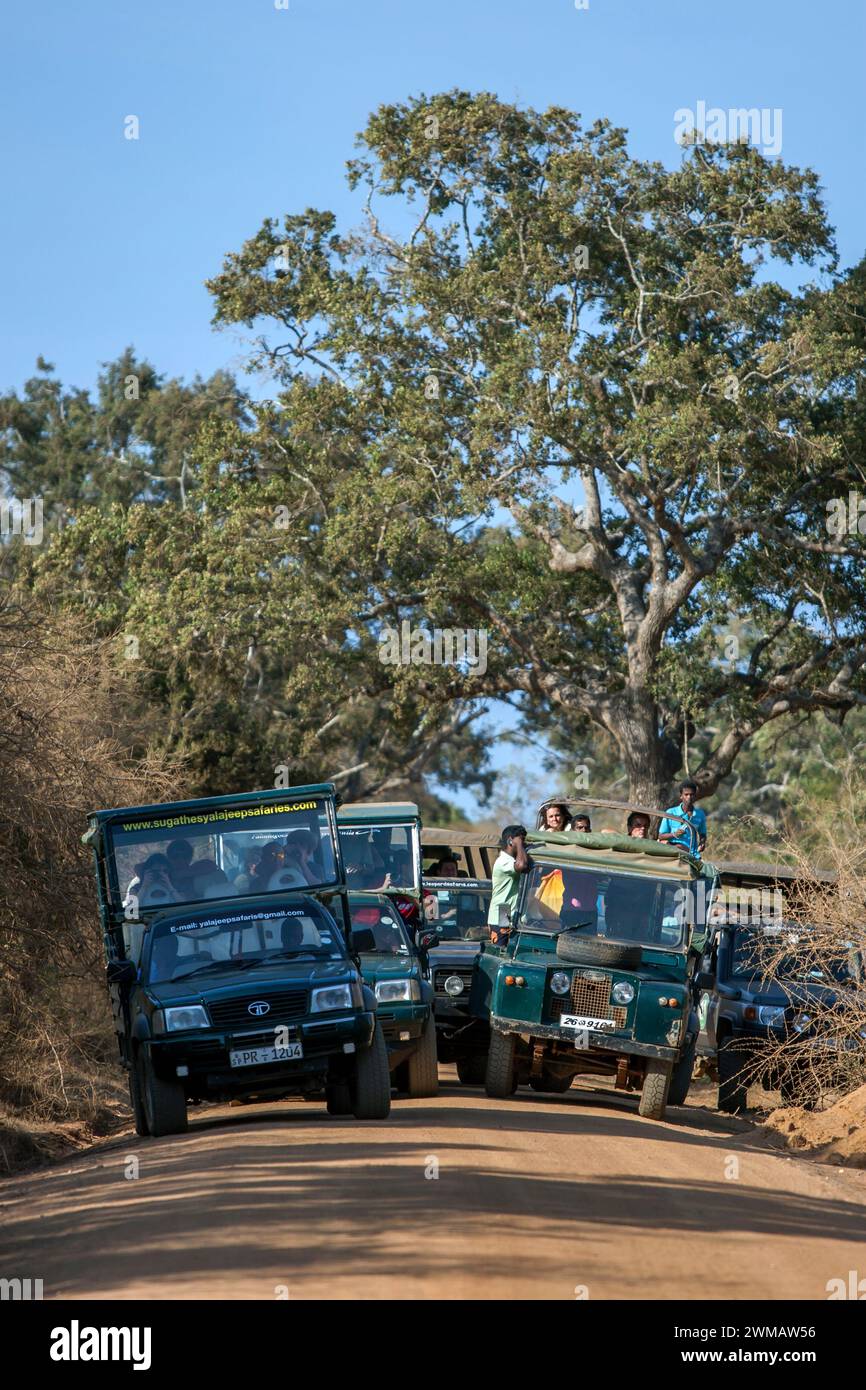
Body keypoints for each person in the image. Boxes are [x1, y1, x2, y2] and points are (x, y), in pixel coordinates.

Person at [487, 825, 532, 943]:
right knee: (501, 950)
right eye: (522, 840)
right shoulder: (503, 861)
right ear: (510, 841)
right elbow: (521, 865)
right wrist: (519, 844)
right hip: (503, 911)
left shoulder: (511, 860)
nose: (523, 844)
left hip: (509, 912)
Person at [658, 780, 707, 857]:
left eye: (692, 794)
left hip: (693, 855)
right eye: (686, 794)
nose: (689, 797)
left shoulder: (700, 814)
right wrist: (674, 834)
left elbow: (702, 834)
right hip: (675, 852)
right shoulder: (671, 813)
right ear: (681, 796)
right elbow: (661, 836)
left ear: (695, 796)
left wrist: (702, 842)